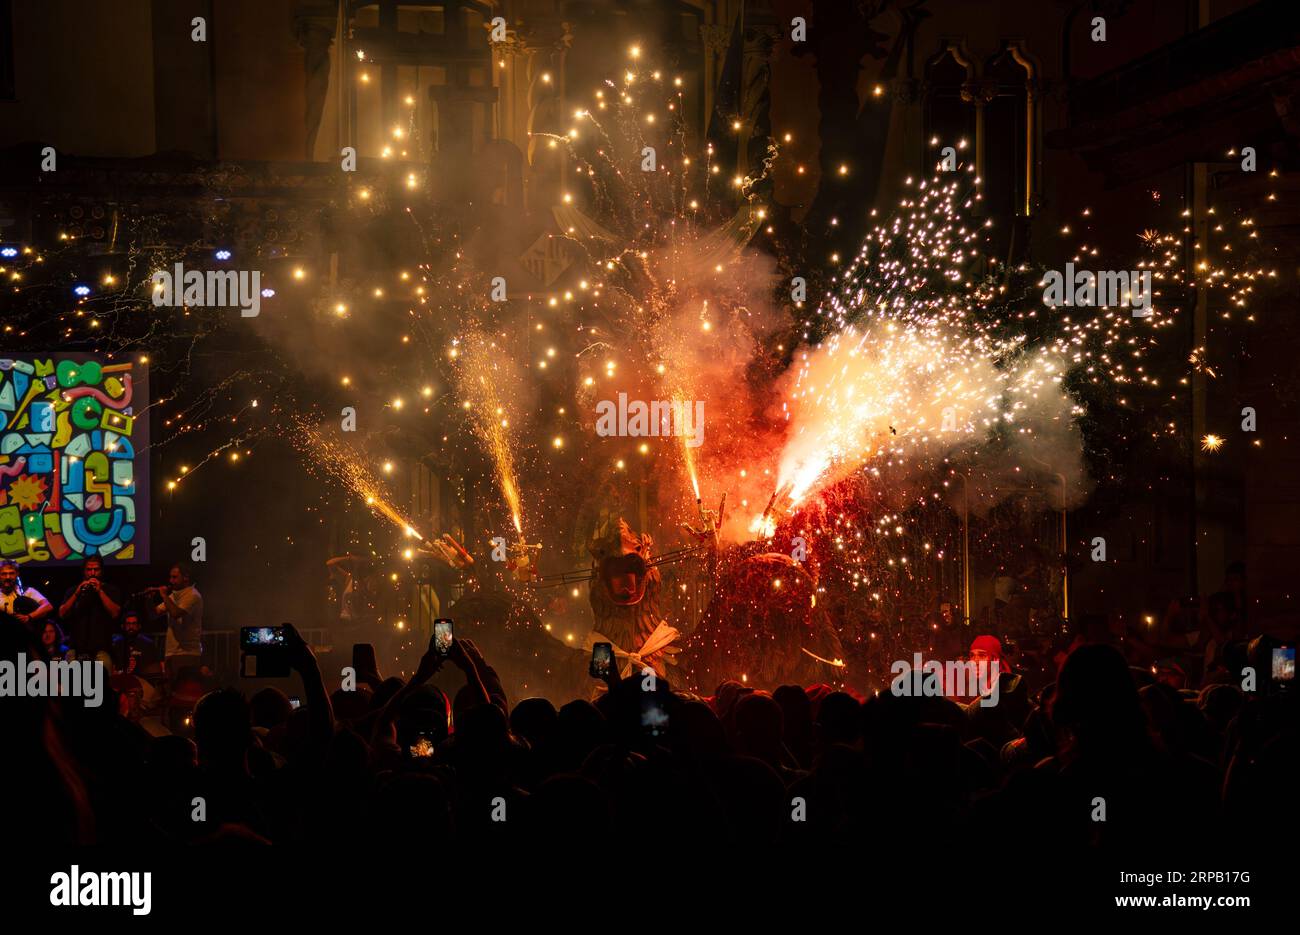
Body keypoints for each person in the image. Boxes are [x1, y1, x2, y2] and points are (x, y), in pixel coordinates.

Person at [58, 556, 122, 663]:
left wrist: (100, 591)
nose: (92, 573)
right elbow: (62, 613)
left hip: (102, 649)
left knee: (103, 679)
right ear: (84, 571)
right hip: (75, 649)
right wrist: (76, 593)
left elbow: (115, 613)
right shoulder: (74, 590)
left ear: (101, 571)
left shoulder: (111, 590)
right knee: (71, 679)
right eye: (89, 569)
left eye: (96, 569)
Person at [148, 562, 204, 680]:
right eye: (170, 577)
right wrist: (149, 599)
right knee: (171, 693)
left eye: (174, 577)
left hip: (187, 653)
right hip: (171, 652)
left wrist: (164, 595)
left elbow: (175, 613)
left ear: (186, 578)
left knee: (185, 690)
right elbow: (154, 615)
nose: (171, 581)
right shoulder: (174, 596)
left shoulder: (193, 595)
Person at [0, 559, 53, 631]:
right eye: (4, 574)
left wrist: (29, 616)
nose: (8, 577)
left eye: (11, 573)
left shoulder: (28, 591)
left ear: (17, 574)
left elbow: (47, 606)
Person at [110, 610, 157, 677]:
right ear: (123, 626)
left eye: (134, 623)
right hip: (120, 679)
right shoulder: (116, 644)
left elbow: (152, 667)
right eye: (128, 624)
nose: (131, 627)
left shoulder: (148, 644)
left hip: (142, 680)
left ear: (139, 626)